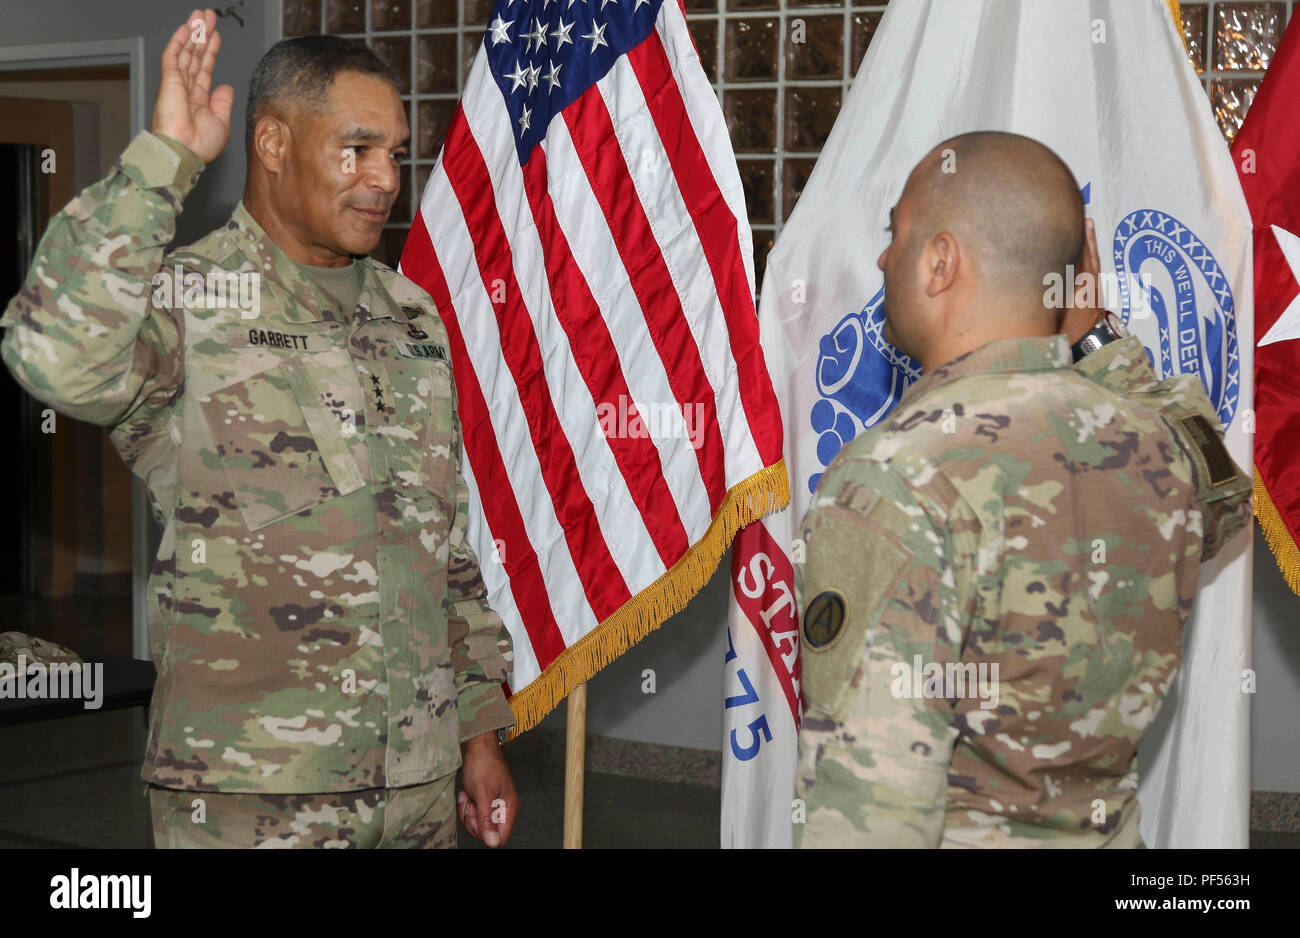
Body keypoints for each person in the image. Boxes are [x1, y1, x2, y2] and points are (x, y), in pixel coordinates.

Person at [0, 10, 519, 848]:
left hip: (418, 791)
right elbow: (49, 355)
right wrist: (161, 162)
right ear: (273, 145)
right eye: (357, 149)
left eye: (394, 153)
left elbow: (442, 549)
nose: (384, 179)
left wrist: (478, 736)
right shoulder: (191, 301)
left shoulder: (412, 315)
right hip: (253, 797)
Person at [793, 131, 1252, 848]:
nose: (884, 257)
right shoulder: (1153, 448)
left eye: (897, 234)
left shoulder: (897, 474)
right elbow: (1222, 490)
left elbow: (870, 810)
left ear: (941, 262)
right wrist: (1096, 336)